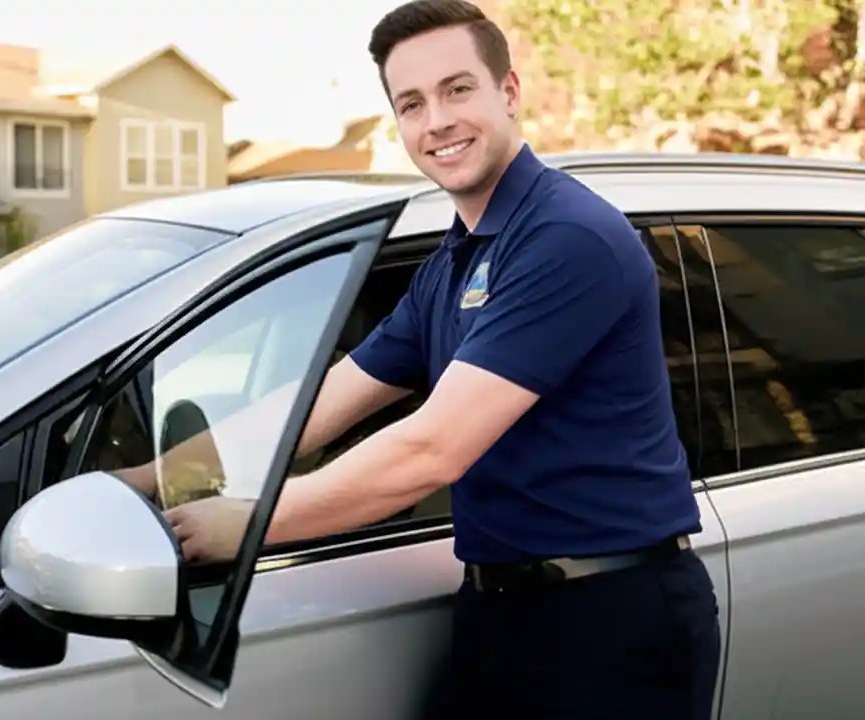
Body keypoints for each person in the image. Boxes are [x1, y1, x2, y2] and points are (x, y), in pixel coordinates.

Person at [121, 1, 721, 717]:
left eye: (457, 89)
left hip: (610, 621)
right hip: (501, 610)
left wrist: (250, 523)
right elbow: (321, 402)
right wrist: (155, 478)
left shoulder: (568, 238)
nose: (435, 120)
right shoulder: (455, 260)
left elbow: (430, 450)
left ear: (509, 93)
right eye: (411, 103)